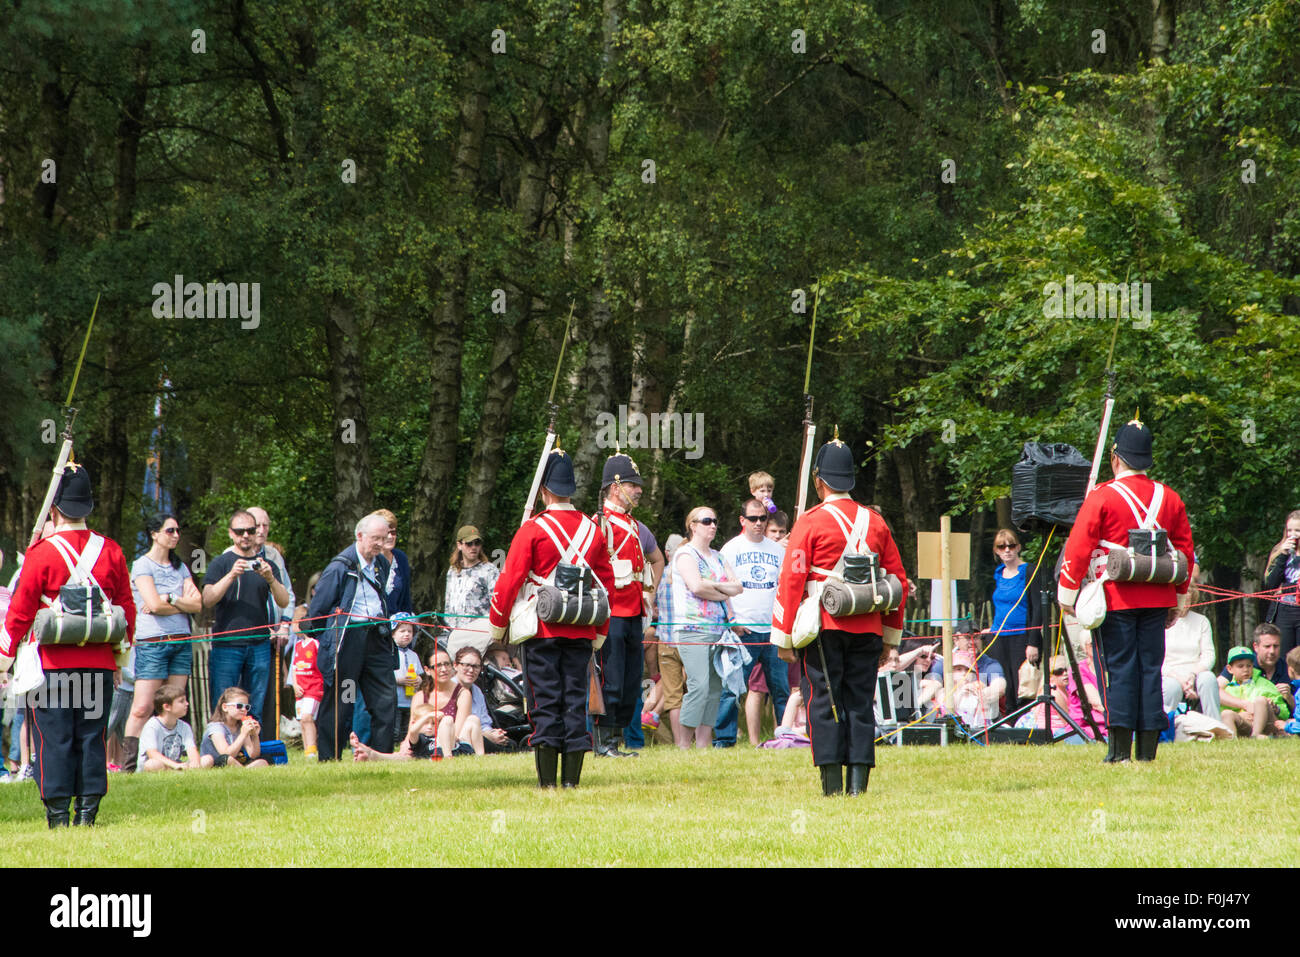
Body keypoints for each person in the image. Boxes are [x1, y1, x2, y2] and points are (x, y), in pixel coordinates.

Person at [771, 433, 910, 796]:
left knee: (825, 704)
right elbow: (899, 582)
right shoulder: (875, 521)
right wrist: (890, 638)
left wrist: (784, 638)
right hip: (868, 628)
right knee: (861, 703)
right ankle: (858, 788)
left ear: (819, 482)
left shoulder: (811, 522)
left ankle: (832, 788)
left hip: (824, 627)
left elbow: (791, 580)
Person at [0, 461, 136, 827]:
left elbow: (20, 612)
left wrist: (4, 658)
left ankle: (59, 818)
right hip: (98, 665)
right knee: (91, 738)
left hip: (52, 667)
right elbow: (126, 610)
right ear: (88, 507)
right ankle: (87, 816)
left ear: (55, 509)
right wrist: (121, 659)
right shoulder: (112, 551)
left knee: (55, 740)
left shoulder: (40, 554)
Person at [1057, 416, 1194, 764]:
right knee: (1150, 671)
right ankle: (1147, 753)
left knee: (1119, 671)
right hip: (1158, 598)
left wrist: (1068, 595)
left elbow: (1078, 548)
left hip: (1115, 598)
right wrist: (1179, 597)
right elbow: (1185, 552)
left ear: (1115, 457)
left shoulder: (1102, 496)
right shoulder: (1171, 497)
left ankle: (1118, 753)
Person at [487, 444, 615, 787]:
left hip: (542, 629)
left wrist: (498, 622)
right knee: (575, 700)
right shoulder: (593, 529)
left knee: (544, 702)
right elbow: (606, 584)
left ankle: (547, 784)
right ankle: (571, 782)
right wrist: (600, 629)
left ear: (544, 490)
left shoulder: (532, 529)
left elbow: (510, 578)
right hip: (582, 628)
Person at [307, 514, 397, 760]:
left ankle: (382, 757)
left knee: (385, 700)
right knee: (341, 702)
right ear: (359, 536)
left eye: (384, 538)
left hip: (376, 639)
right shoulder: (340, 567)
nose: (380, 544)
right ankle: (330, 758)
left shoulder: (382, 564)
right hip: (348, 640)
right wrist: (328, 638)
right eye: (375, 539)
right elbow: (315, 613)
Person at [592, 452, 664, 757]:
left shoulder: (634, 525)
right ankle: (603, 742)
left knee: (632, 680)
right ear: (614, 487)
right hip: (610, 613)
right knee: (612, 679)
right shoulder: (598, 523)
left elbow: (656, 559)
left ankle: (616, 739)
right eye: (632, 485)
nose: (638, 490)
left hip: (634, 611)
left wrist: (650, 593)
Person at [124, 513, 202, 773]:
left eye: (178, 530)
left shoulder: (180, 567)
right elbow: (153, 605)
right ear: (154, 534)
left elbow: (197, 604)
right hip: (153, 643)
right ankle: (128, 765)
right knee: (143, 707)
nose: (176, 535)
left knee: (176, 705)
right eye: (170, 531)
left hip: (181, 641)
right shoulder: (142, 565)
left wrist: (170, 598)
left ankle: (174, 762)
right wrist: (179, 602)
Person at [202, 509, 290, 733]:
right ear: (231, 533)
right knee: (223, 703)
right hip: (226, 645)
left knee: (255, 704)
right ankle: (221, 751)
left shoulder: (267, 563)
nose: (246, 536)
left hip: (259, 644)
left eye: (251, 530)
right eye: (240, 531)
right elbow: (208, 599)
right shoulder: (221, 562)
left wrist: (271, 578)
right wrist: (231, 575)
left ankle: (252, 752)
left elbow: (284, 600)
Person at [715, 499, 791, 746]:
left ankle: (785, 737)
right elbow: (722, 589)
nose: (758, 523)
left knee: (781, 690)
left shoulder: (778, 551)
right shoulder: (731, 548)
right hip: (743, 629)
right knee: (732, 688)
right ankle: (724, 740)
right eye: (753, 519)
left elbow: (785, 590)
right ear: (742, 520)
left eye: (762, 519)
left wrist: (783, 624)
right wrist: (732, 621)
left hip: (772, 631)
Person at [673, 506, 742, 748]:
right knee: (698, 685)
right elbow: (696, 587)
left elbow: (738, 587)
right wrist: (722, 589)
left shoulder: (719, 557)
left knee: (715, 687)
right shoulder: (685, 554)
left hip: (719, 630)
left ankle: (703, 745)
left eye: (714, 520)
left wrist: (712, 587)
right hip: (691, 628)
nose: (712, 525)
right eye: (706, 521)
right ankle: (683, 744)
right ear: (693, 525)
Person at [987, 528, 1043, 703]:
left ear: (1018, 547)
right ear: (996, 550)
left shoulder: (1029, 571)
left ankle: (1022, 722)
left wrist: (1033, 642)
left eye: (1011, 546)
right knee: (1004, 683)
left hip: (1022, 636)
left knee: (1023, 685)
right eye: (1001, 547)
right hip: (999, 636)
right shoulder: (998, 574)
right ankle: (1005, 722)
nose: (1007, 550)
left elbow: (1039, 608)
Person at [1161, 577, 1221, 721]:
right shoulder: (1162, 621)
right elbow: (1157, 659)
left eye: (1187, 592)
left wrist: (1192, 675)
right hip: (1170, 674)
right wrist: (1179, 679)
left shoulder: (1202, 621)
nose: (1184, 596)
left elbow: (1209, 655)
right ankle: (1165, 729)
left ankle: (1215, 727)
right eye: (1180, 592)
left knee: (1208, 679)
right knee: (1172, 687)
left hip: (1195, 673)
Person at [443, 525, 499, 656]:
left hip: (478, 634)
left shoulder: (489, 570)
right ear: (459, 545)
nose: (474, 547)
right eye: (469, 543)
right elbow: (448, 602)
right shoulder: (452, 570)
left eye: (477, 543)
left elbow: (496, 605)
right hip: (453, 634)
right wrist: (446, 629)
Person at [412, 646, 479, 755]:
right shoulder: (420, 696)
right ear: (427, 670)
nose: (444, 669)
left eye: (447, 664)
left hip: (452, 746)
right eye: (438, 665)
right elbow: (412, 729)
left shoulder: (462, 694)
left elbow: (457, 733)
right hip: (423, 747)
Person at [1218, 623, 1293, 714]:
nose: (1272, 651)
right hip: (1241, 717)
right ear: (1256, 647)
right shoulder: (1243, 663)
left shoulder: (1287, 668)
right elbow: (1215, 690)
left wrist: (1289, 697)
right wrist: (1244, 705)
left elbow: (1297, 707)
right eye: (1267, 646)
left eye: (1276, 646)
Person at [453, 645, 514, 753]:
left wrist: (493, 733)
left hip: (480, 734)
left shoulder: (477, 691)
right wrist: (486, 736)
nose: (471, 670)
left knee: (510, 743)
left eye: (476, 666)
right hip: (459, 738)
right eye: (466, 665)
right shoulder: (449, 689)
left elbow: (484, 721)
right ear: (455, 665)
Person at [1219, 645, 1290, 738]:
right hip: (1245, 725)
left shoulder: (1265, 684)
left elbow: (1285, 713)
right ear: (1229, 669)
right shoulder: (1228, 689)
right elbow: (1221, 712)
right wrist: (1240, 714)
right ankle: (1231, 742)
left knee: (1260, 700)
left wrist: (1276, 708)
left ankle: (1256, 735)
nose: (1246, 669)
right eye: (1240, 666)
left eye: (1249, 666)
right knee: (1226, 714)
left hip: (1267, 724)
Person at [200, 686, 269, 767]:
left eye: (247, 707)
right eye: (239, 706)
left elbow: (253, 755)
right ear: (225, 707)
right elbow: (226, 754)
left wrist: (255, 735)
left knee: (264, 759)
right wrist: (243, 734)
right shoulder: (216, 727)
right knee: (226, 759)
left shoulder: (241, 726)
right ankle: (245, 770)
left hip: (234, 762)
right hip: (216, 762)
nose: (244, 709)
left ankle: (244, 770)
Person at [1262, 509, 1300, 657]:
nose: (1293, 534)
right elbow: (1271, 585)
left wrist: (1283, 588)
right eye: (1290, 530)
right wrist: (1283, 555)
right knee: (1285, 657)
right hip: (1284, 610)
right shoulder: (1279, 551)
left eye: (1297, 530)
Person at [138, 686, 201, 771]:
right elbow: (152, 753)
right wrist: (175, 765)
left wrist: (195, 763)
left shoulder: (185, 726)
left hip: (176, 765)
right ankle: (175, 770)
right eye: (181, 701)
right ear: (167, 707)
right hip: (158, 765)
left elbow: (192, 749)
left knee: (207, 759)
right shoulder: (152, 726)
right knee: (152, 764)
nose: (187, 704)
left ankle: (178, 771)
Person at [289, 614, 324, 760]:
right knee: (301, 720)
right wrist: (295, 685)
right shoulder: (297, 646)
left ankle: (312, 749)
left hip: (313, 687)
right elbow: (295, 667)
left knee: (307, 717)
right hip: (300, 689)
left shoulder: (316, 644)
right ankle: (306, 751)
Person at [391, 613, 424, 747]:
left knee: (407, 728)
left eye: (410, 631)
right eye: (402, 631)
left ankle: (406, 748)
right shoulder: (389, 653)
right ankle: (393, 749)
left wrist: (419, 680)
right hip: (395, 700)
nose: (407, 634)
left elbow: (420, 674)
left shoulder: (413, 655)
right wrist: (399, 680)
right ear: (392, 633)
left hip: (410, 701)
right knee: (395, 729)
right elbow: (385, 675)